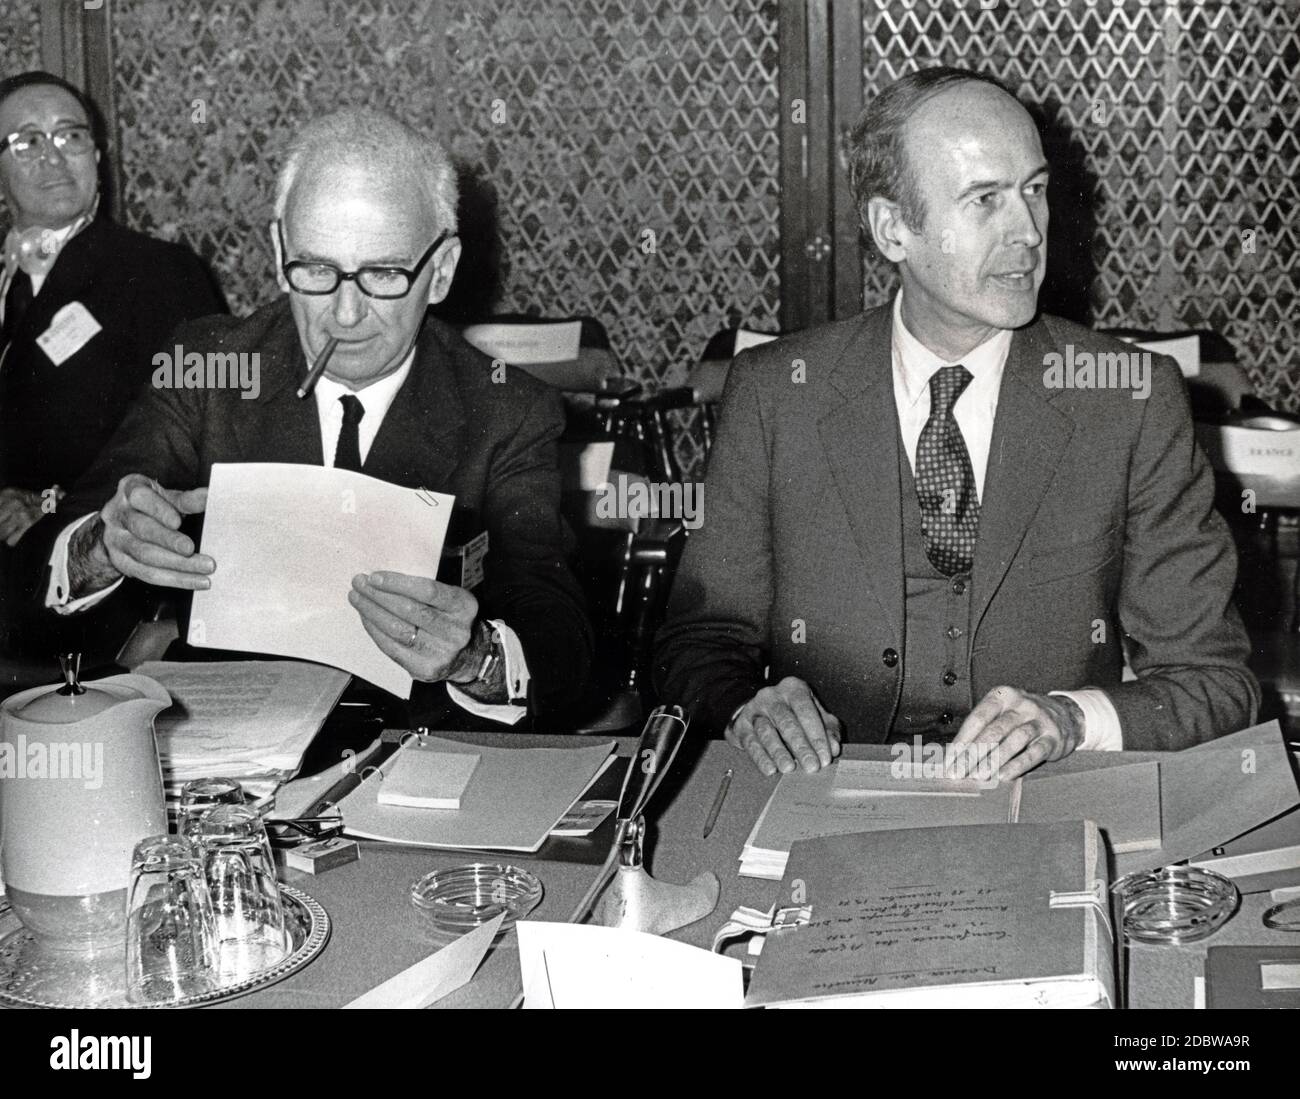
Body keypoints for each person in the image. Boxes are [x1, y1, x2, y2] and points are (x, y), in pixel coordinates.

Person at [654, 67, 1258, 780]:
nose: (1028, 232)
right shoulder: (776, 394)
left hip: (1042, 805)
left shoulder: (1131, 399)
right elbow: (696, 644)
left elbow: (1218, 684)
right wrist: (748, 704)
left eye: (1034, 190)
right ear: (892, 229)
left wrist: (1070, 719)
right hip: (822, 798)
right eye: (985, 200)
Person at [17, 107, 592, 723]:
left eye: (385, 274)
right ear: (278, 249)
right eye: (316, 270)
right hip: (227, 750)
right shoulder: (209, 366)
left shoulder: (507, 409)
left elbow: (560, 643)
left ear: (442, 270)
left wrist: (472, 658)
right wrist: (104, 547)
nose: (344, 315)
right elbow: (32, 580)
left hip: (418, 747)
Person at [0, 71, 223, 549]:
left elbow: (198, 434)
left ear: (97, 156)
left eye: (71, 135)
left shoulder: (161, 272)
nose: (53, 156)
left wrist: (50, 505)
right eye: (27, 142)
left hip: (102, 561)